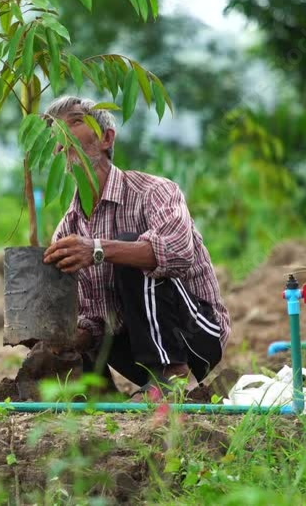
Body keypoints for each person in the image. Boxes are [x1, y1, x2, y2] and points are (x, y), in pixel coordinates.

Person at [41, 96, 231, 402]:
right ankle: (98, 394)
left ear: (106, 138)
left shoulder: (154, 191)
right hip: (137, 348)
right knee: (75, 321)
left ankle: (171, 375)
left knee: (129, 243)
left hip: (194, 335)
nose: (64, 134)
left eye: (75, 122)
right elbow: (95, 317)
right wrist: (64, 342)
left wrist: (99, 249)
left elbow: (179, 252)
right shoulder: (69, 228)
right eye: (55, 130)